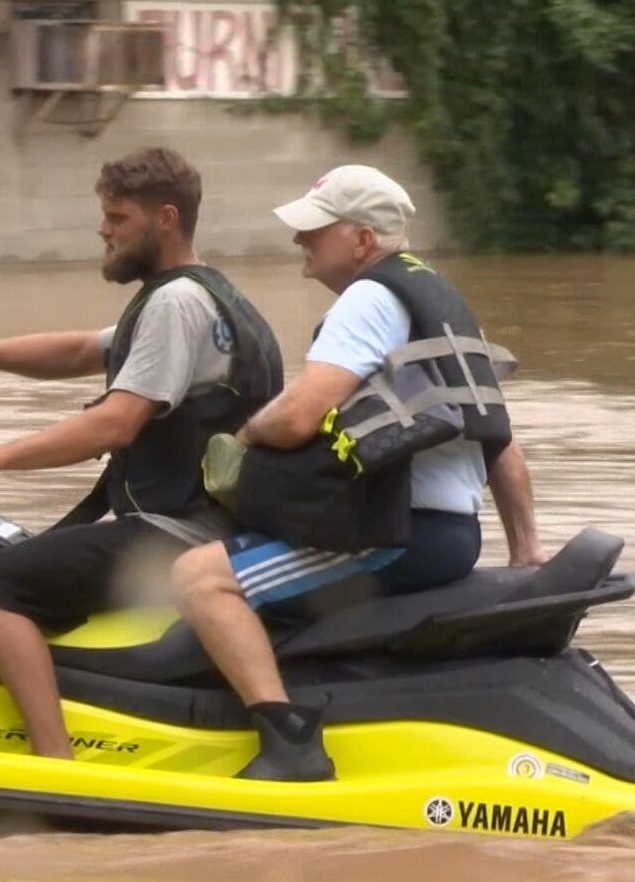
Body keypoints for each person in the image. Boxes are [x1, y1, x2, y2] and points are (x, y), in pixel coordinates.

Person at [169, 165, 549, 781]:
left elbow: (299, 416)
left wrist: (240, 437)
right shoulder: (440, 300)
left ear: (363, 240)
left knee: (200, 578)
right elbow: (498, 436)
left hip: (397, 532)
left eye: (315, 231)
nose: (302, 242)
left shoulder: (370, 299)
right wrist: (526, 550)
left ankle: (289, 744)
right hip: (448, 533)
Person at [0, 147, 283, 759]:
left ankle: (56, 762)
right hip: (217, 523)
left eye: (117, 217)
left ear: (165, 217)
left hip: (178, 532)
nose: (102, 230)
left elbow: (116, 423)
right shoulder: (208, 295)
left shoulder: (174, 303)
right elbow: (80, 350)